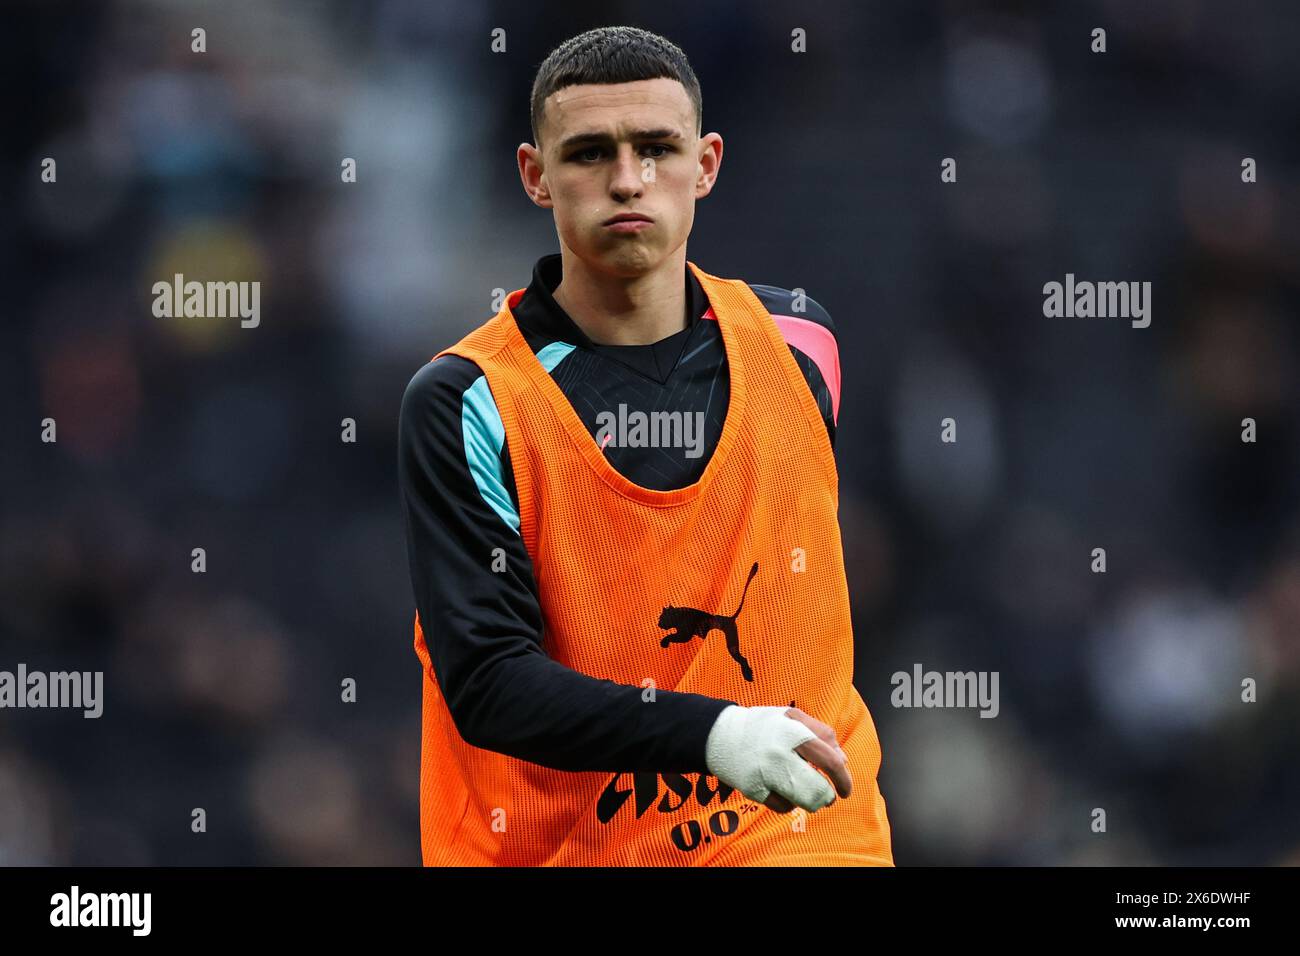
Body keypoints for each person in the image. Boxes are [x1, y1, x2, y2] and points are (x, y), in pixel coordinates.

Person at [398, 25, 893, 865]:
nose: (628, 180)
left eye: (657, 148)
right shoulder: (469, 400)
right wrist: (716, 734)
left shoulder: (802, 344)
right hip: (566, 848)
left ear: (705, 164)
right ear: (534, 176)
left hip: (800, 836)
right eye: (590, 153)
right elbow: (487, 682)